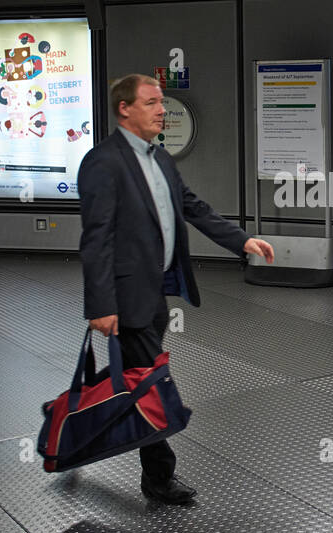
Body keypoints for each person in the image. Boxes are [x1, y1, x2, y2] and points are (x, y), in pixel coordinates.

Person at [78, 73, 274, 504]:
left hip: (157, 291)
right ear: (124, 109)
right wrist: (101, 305)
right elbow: (96, 239)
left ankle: (78, 425)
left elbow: (191, 207)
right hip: (126, 298)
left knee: (136, 376)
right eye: (151, 102)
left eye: (161, 102)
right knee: (149, 382)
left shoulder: (160, 158)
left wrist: (240, 240)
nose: (161, 109)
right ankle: (159, 478)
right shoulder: (103, 162)